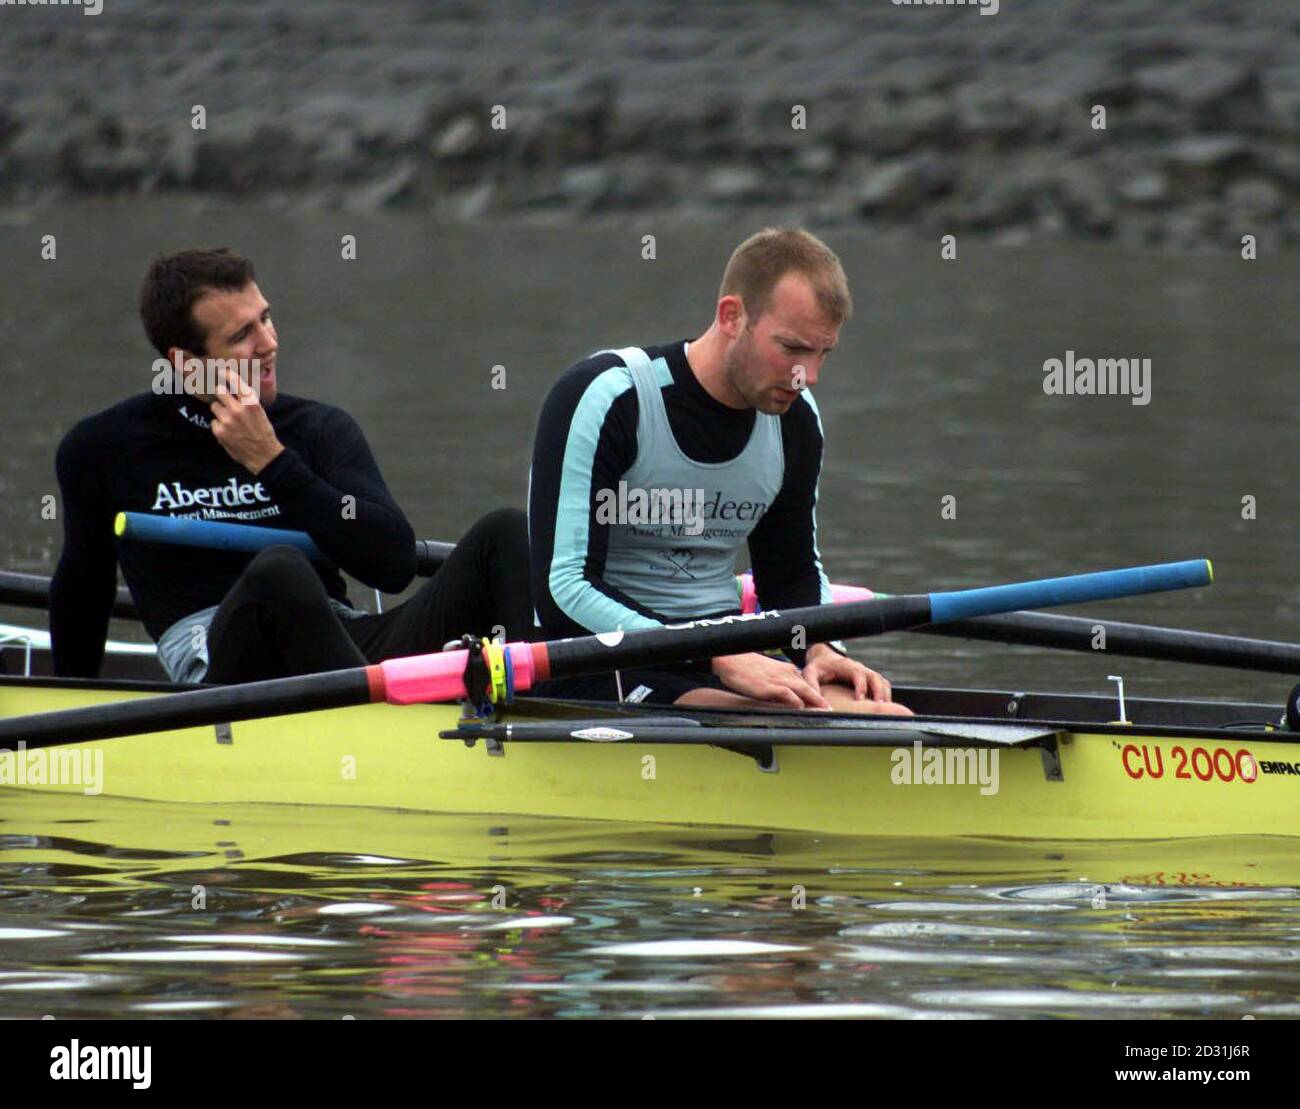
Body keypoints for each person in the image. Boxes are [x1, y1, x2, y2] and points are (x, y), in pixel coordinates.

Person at [50, 247, 530, 684]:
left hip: (338, 639)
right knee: (278, 575)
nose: (269, 344)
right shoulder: (104, 447)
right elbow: (83, 597)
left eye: (266, 319)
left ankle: (546, 706)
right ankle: (373, 726)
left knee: (505, 534)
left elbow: (394, 564)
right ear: (187, 363)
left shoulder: (317, 428)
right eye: (242, 335)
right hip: (224, 664)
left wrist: (272, 462)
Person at [528, 228, 911, 714]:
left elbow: (789, 574)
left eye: (823, 354)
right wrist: (716, 653)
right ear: (732, 316)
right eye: (793, 349)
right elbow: (564, 593)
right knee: (797, 723)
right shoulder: (608, 397)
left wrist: (819, 647)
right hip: (596, 660)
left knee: (883, 715)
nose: (808, 376)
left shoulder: (796, 420)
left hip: (726, 656)